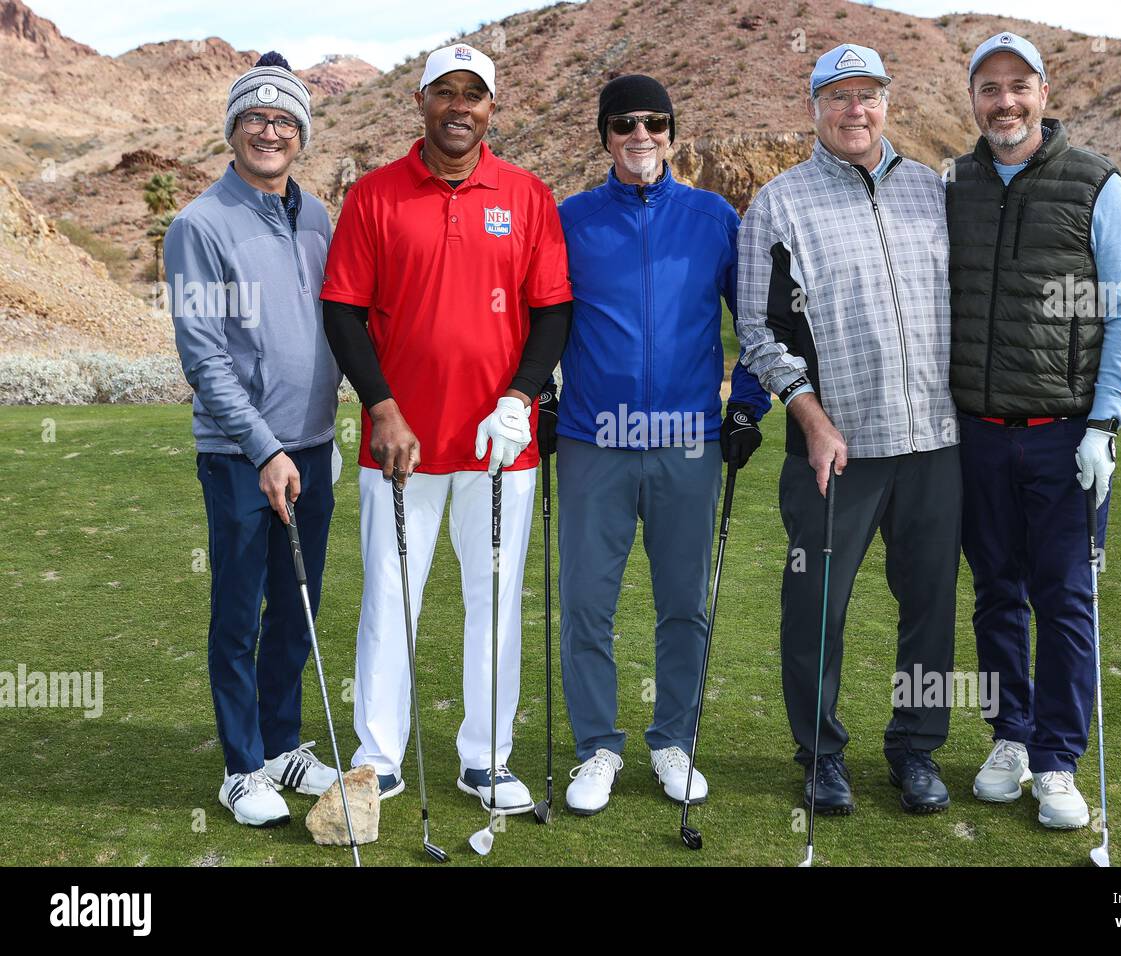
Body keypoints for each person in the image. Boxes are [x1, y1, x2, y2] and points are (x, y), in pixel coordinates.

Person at [321, 44, 573, 815]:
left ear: (492, 108)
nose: (459, 107)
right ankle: (378, 756)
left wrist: (521, 396)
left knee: (493, 600)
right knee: (390, 597)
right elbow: (342, 310)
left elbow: (553, 308)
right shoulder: (375, 195)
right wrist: (382, 407)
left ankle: (485, 759)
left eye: (475, 95)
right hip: (399, 449)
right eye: (445, 93)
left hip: (501, 446)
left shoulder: (526, 195)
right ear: (421, 102)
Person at [736, 45, 961, 815]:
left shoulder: (934, 192)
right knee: (815, 605)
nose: (854, 110)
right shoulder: (779, 202)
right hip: (834, 447)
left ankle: (916, 749)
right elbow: (759, 332)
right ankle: (821, 752)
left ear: (887, 103)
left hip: (933, 441)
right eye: (838, 97)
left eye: (867, 95)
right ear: (815, 109)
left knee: (930, 605)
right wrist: (812, 415)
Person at [550, 75, 771, 816]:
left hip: (687, 442)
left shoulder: (713, 217)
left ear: (672, 133)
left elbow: (758, 323)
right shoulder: (570, 219)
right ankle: (597, 749)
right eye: (623, 124)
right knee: (586, 604)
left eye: (654, 123)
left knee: (684, 603)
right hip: (593, 441)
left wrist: (747, 404)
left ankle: (673, 739)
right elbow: (537, 318)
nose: (639, 136)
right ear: (604, 136)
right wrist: (538, 396)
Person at [947, 32, 1121, 828]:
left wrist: (1105, 422)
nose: (1005, 101)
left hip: (1066, 434)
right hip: (977, 431)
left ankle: (1060, 759)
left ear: (1043, 90)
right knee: (996, 593)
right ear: (973, 98)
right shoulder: (953, 182)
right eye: (990, 87)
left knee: (1064, 597)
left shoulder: (1097, 184)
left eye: (1018, 86)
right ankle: (1011, 737)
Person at [166, 52, 343, 827]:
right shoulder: (198, 225)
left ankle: (282, 744)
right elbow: (202, 356)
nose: (268, 131)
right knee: (240, 610)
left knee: (296, 606)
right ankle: (241, 767)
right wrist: (264, 447)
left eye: (283, 120)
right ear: (233, 130)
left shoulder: (317, 216)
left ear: (300, 133)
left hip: (311, 444)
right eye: (254, 118)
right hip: (242, 454)